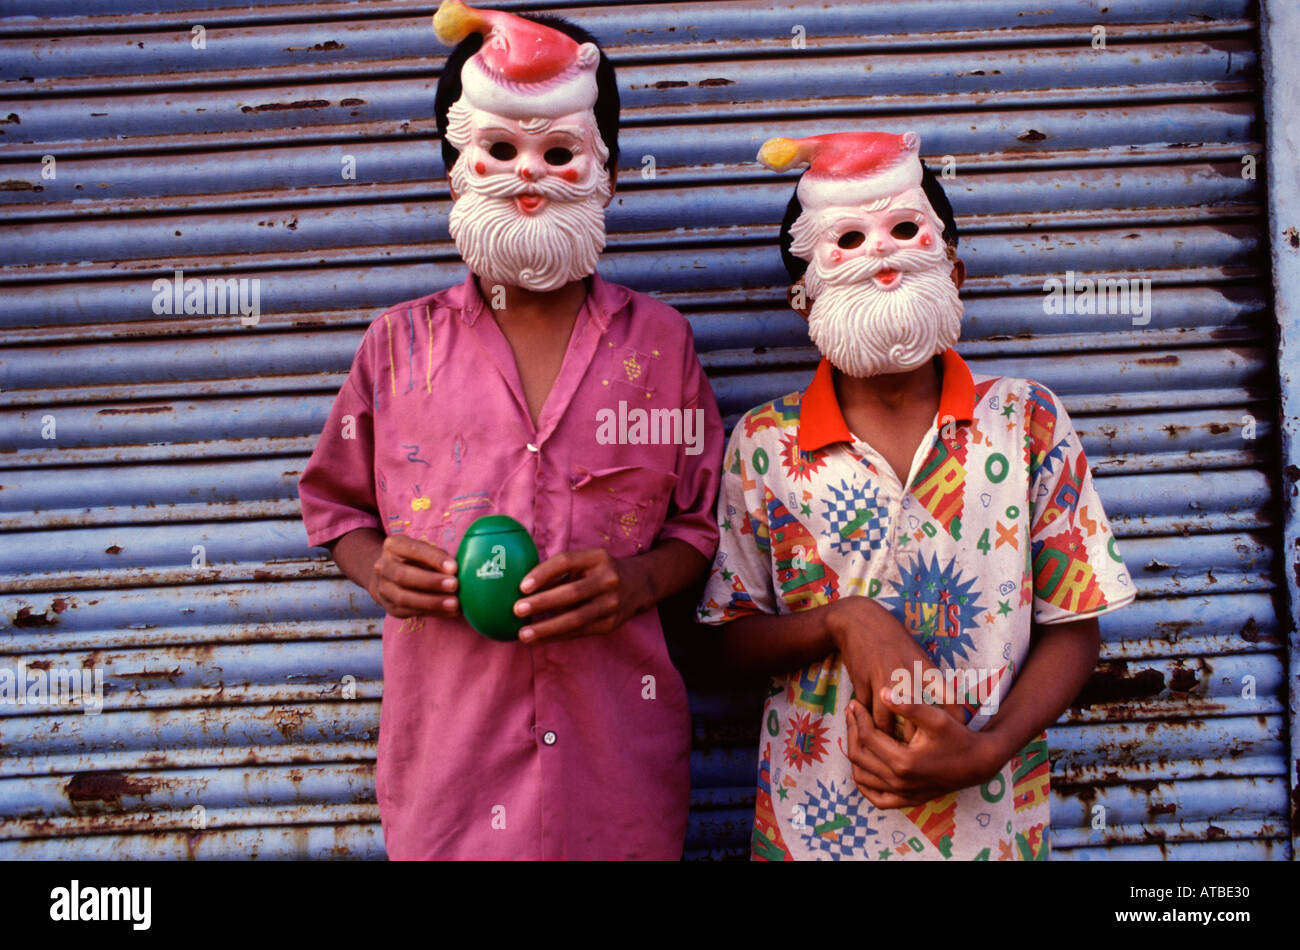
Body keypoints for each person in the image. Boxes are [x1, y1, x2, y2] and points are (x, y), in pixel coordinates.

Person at [297, 0, 723, 859]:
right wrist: (378, 567)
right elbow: (334, 510)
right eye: (500, 149)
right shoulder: (395, 347)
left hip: (618, 779)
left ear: (605, 173)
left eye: (559, 151)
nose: (528, 174)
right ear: (457, 170)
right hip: (448, 780)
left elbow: (701, 526)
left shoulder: (661, 344)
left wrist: (638, 584)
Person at [696, 131, 1135, 861]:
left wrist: (985, 751)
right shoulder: (764, 443)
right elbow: (727, 640)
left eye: (905, 231)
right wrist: (843, 622)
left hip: (990, 833)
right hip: (812, 835)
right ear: (803, 298)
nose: (884, 259)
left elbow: (1074, 624)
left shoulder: (1026, 421)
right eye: (848, 242)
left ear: (954, 270)